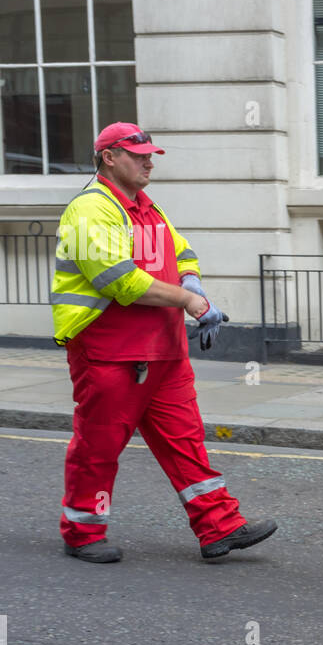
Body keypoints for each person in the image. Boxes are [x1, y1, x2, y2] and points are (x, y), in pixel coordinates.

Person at [51, 122, 276, 563]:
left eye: (151, 154)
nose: (149, 161)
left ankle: (219, 528)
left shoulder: (149, 208)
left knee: (186, 442)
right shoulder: (90, 210)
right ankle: (82, 533)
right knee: (99, 447)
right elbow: (120, 281)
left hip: (163, 349)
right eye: (139, 155)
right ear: (109, 157)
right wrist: (191, 300)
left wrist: (195, 283)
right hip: (109, 351)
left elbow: (183, 252)